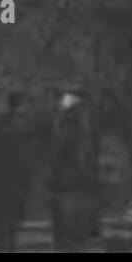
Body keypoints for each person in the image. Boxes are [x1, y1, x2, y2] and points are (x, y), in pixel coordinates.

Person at [48, 85, 101, 251]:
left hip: (71, 178)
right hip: (71, 178)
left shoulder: (72, 125)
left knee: (70, 217)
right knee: (70, 216)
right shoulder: (75, 125)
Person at [0, 91, 31, 252]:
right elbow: (23, 156)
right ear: (21, 105)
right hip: (12, 179)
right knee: (11, 221)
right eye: (25, 104)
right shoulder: (20, 126)